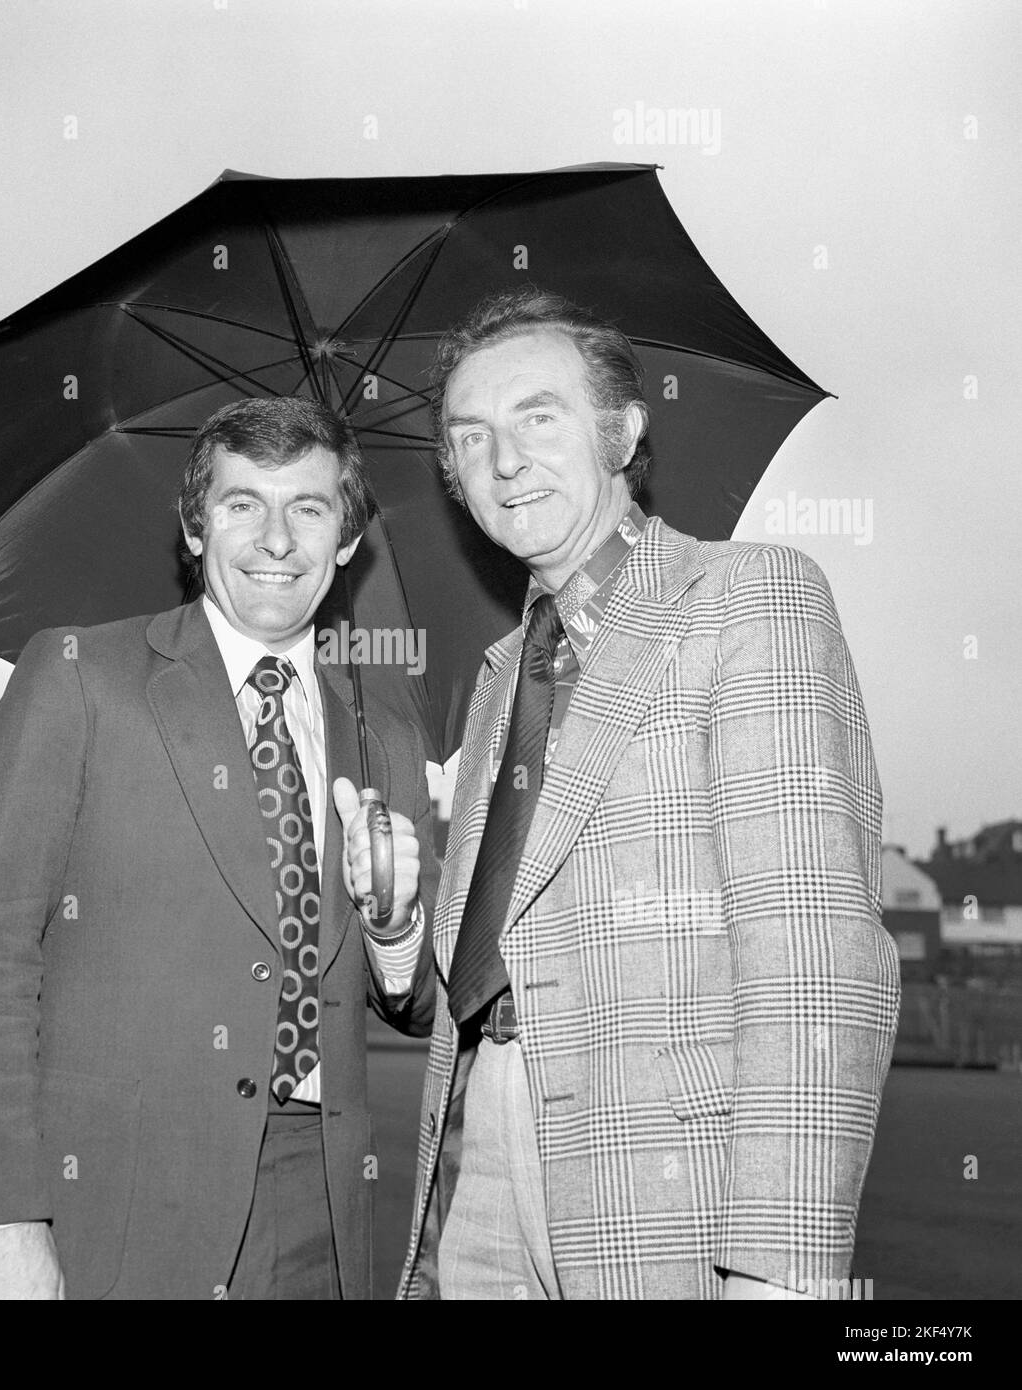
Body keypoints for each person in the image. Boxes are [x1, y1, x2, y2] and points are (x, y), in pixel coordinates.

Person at [399, 288, 899, 1300]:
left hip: (674, 1191)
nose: (502, 458)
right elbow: (483, 966)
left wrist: (779, 1266)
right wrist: (395, 919)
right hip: (476, 1161)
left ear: (623, 430)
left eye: (538, 416)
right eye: (469, 436)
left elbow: (812, 956)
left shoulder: (748, 595)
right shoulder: (497, 680)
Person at [0, 395, 438, 1299]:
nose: (276, 539)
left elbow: (418, 1004)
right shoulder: (81, 676)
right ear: (196, 528)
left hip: (325, 1207)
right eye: (243, 504)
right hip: (113, 1208)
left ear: (347, 541)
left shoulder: (386, 723)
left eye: (309, 509)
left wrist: (395, 925)